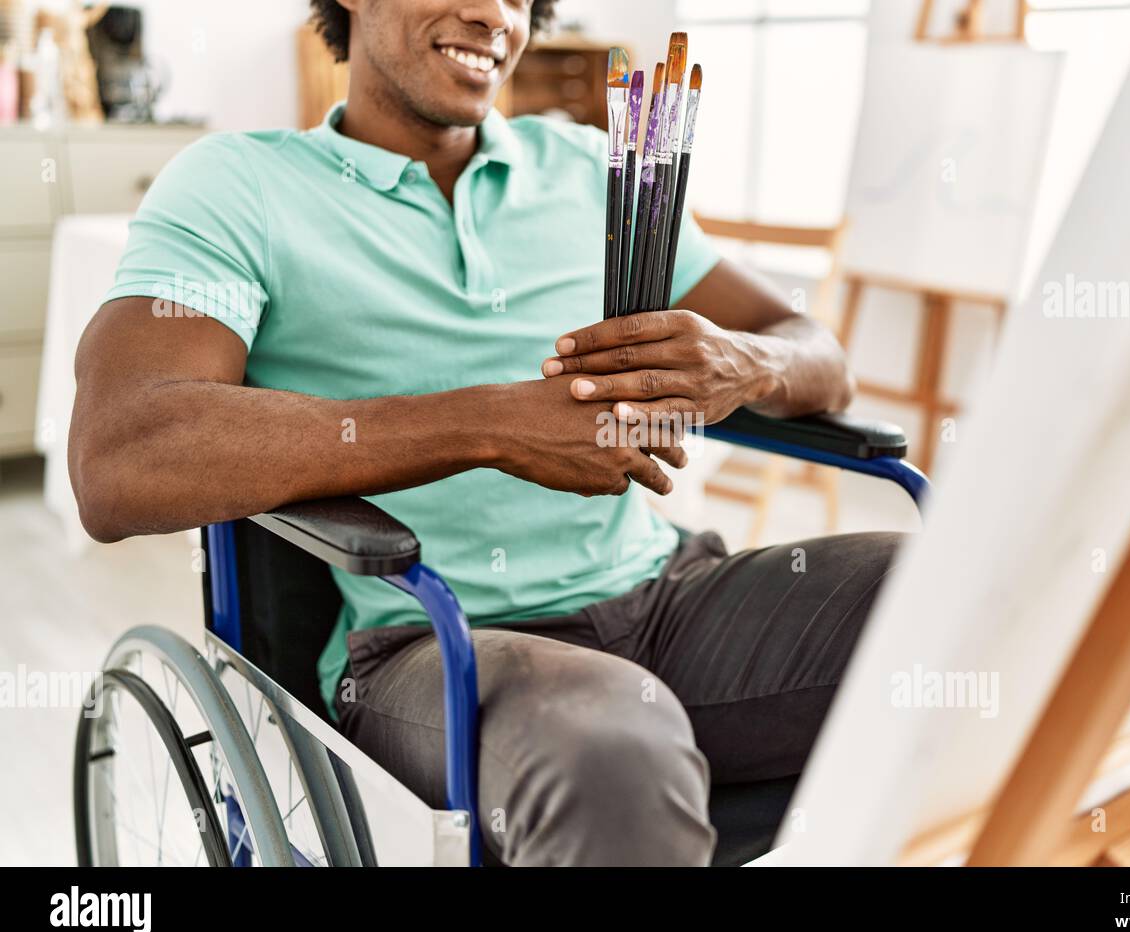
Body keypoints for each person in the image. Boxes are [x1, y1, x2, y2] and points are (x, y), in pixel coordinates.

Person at [68, 0, 901, 865]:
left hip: (665, 597)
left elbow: (819, 355)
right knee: (612, 747)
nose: (489, 13)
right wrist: (490, 424)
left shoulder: (585, 165)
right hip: (432, 645)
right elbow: (120, 453)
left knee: (943, 587)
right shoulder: (240, 184)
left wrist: (746, 365)